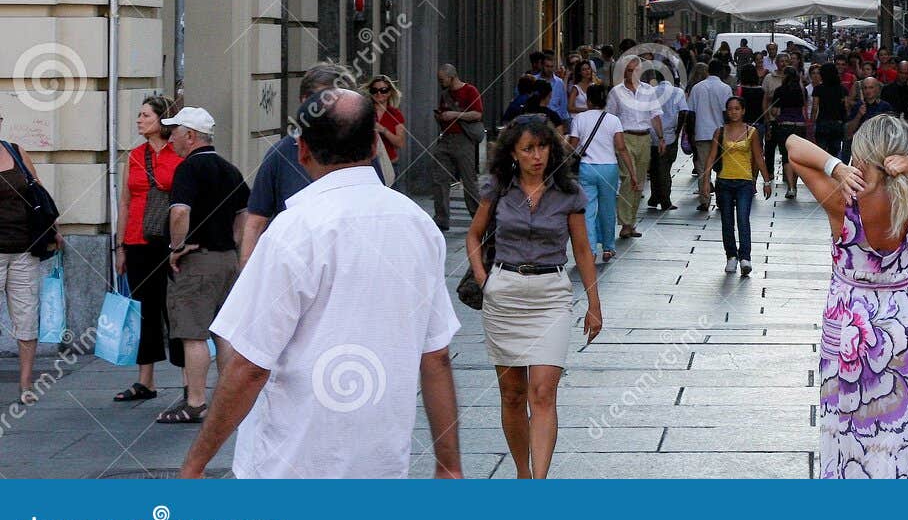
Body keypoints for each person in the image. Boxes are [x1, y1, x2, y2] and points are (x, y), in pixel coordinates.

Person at [181, 89, 462, 479]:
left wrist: (195, 464)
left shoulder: (294, 231)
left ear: (303, 151)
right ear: (376, 142)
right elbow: (436, 356)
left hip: (292, 465)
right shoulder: (418, 226)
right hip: (382, 463)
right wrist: (449, 465)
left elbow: (249, 366)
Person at [785, 117, 908, 478]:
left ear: (862, 149)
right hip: (902, 321)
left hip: (849, 324)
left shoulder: (842, 199)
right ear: (898, 152)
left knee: (846, 421)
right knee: (902, 423)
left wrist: (836, 166)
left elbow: (794, 145)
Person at [468, 115, 601, 479]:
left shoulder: (568, 192)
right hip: (504, 293)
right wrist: (484, 279)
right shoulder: (497, 188)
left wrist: (594, 305)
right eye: (527, 149)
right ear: (513, 152)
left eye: (542, 147)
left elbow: (583, 249)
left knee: (542, 393)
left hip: (551, 295)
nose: (536, 155)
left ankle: (538, 483)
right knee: (512, 393)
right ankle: (522, 473)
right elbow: (474, 235)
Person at [157, 106, 249, 425]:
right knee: (223, 333)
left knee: (193, 334)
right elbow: (244, 216)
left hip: (197, 260)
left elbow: (180, 213)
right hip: (227, 259)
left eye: (175, 133)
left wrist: (176, 246)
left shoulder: (188, 170)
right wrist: (234, 246)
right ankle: (226, 399)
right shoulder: (230, 169)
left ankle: (195, 402)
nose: (171, 140)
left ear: (191, 136)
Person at [242, 63, 376, 265]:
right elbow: (256, 221)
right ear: (305, 101)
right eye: (327, 101)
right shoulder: (280, 154)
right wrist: (246, 273)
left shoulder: (362, 152)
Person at [112, 93, 182, 404]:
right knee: (144, 310)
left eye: (145, 116)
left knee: (177, 311)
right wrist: (120, 246)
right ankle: (145, 380)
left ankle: (187, 382)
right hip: (138, 241)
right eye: (139, 115)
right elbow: (125, 202)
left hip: (169, 243)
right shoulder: (135, 156)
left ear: (162, 121)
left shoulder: (179, 155)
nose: (139, 120)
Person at [0, 117, 62, 403]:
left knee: (27, 316)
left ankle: (25, 385)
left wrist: (54, 229)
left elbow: (39, 195)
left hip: (25, 249)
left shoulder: (15, 151)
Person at [701, 96, 772, 276]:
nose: (733, 112)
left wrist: (766, 180)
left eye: (737, 108)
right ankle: (731, 256)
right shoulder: (720, 132)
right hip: (724, 181)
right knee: (727, 221)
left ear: (743, 111)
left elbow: (758, 157)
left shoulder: (751, 132)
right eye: (730, 109)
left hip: (744, 182)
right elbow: (711, 156)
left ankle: (745, 257)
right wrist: (705, 179)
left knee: (742, 219)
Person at [569, 83, 631, 264]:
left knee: (587, 211)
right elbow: (621, 148)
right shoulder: (613, 120)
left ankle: (589, 250)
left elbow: (573, 146)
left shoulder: (579, 118)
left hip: (587, 168)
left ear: (588, 100)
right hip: (609, 168)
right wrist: (632, 172)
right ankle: (609, 248)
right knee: (607, 209)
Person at [608, 55, 664, 236]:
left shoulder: (648, 90)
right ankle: (625, 223)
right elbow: (611, 117)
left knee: (639, 181)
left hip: (644, 138)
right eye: (629, 70)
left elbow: (655, 115)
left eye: (636, 70)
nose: (633, 74)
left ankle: (631, 222)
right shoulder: (616, 92)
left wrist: (661, 137)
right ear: (625, 71)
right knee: (627, 179)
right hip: (625, 138)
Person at [432, 64, 485, 233]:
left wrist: (455, 115)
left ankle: (478, 217)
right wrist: (440, 117)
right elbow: (443, 115)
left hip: (463, 140)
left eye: (442, 79)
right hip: (446, 138)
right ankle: (441, 218)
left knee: (469, 181)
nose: (440, 82)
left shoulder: (470, 91)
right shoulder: (445, 95)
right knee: (439, 179)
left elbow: (477, 114)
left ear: (451, 77)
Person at [686, 61, 733, 211]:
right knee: (721, 168)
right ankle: (721, 199)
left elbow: (691, 113)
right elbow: (729, 113)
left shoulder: (697, 88)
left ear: (708, 71)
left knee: (702, 167)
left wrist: (691, 133)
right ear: (721, 72)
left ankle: (704, 199)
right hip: (720, 134)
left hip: (702, 132)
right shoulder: (725, 88)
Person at [643, 68, 687, 212]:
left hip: (652, 134)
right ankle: (665, 199)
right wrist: (678, 130)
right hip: (669, 135)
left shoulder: (651, 92)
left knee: (655, 168)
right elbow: (683, 111)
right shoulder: (678, 92)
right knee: (665, 169)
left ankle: (655, 197)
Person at [767, 66, 810, 201]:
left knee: (786, 157)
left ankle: (790, 187)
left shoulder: (779, 91)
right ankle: (795, 185)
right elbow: (804, 106)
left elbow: (774, 111)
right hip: (799, 125)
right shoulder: (801, 91)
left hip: (784, 124)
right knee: (796, 157)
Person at [367, 75, 405, 186]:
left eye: (383, 90)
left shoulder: (395, 114)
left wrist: (383, 130)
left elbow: (400, 143)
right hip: (369, 165)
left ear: (389, 93)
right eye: (375, 90)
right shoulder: (365, 111)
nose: (379, 93)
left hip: (390, 164)